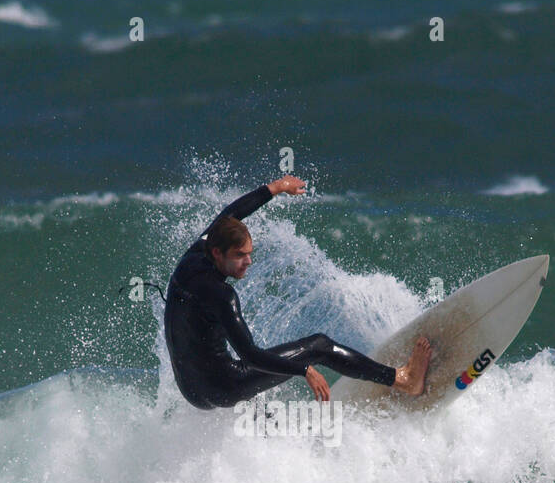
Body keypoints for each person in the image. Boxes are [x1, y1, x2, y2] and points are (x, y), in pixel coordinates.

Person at [163, 175, 432, 409]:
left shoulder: (192, 258)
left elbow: (229, 215)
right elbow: (250, 356)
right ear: (217, 253)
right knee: (320, 346)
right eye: (239, 256)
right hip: (224, 387)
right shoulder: (222, 296)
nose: (248, 262)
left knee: (254, 392)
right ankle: (404, 380)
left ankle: (268, 427)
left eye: (249, 253)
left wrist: (275, 188)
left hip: (192, 391)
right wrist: (304, 369)